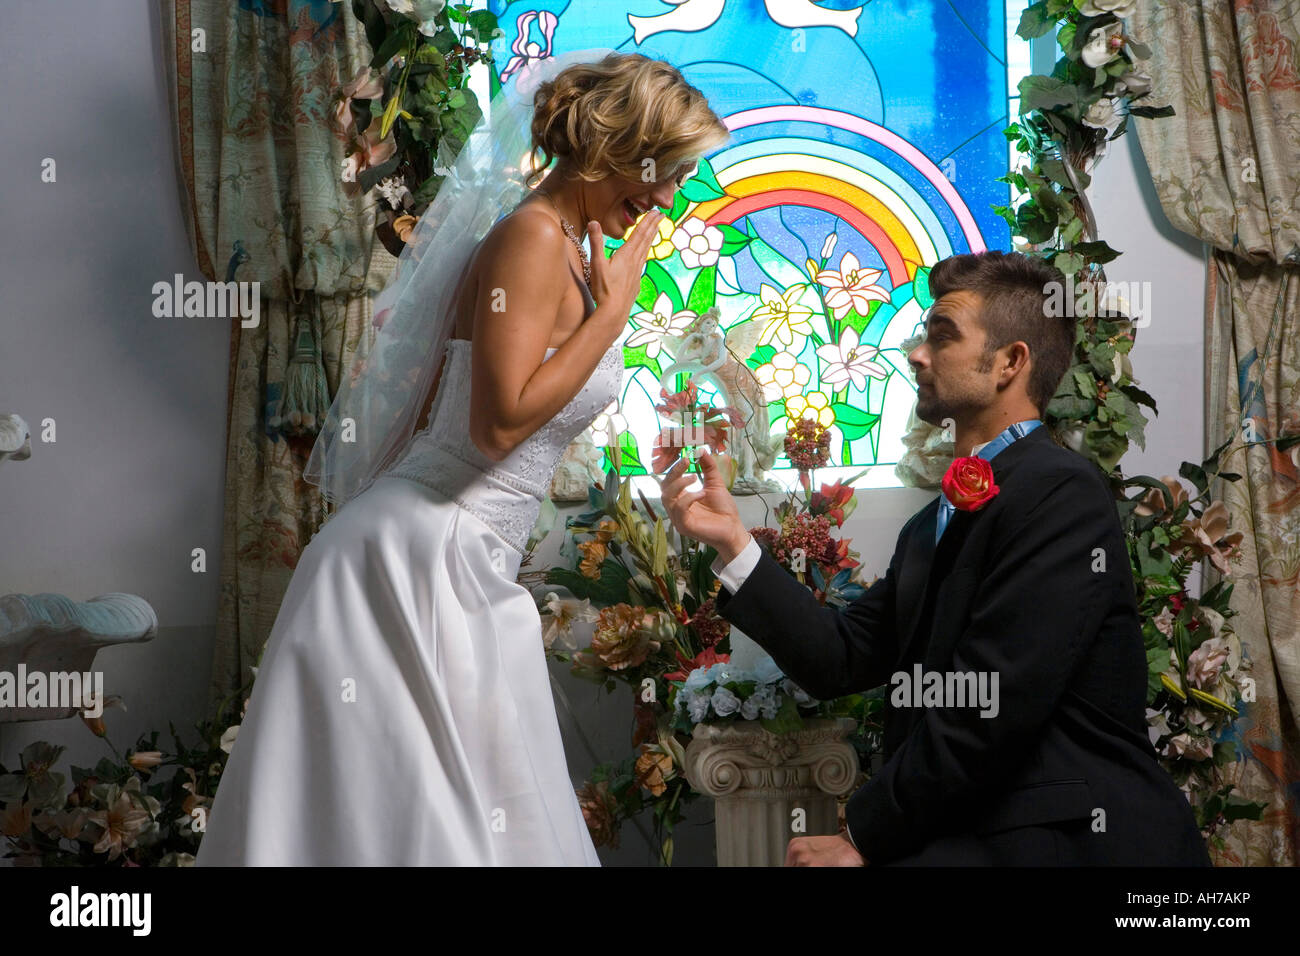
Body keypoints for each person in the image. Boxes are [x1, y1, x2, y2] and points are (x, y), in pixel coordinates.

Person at [195, 51, 729, 865]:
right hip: (415, 559)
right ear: (612, 145)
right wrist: (609, 319)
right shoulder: (530, 237)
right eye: (662, 171)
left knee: (465, 823)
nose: (665, 196)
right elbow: (496, 426)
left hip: (462, 559)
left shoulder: (572, 247)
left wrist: (603, 307)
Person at [657, 250, 1211, 867]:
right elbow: (839, 657)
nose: (917, 354)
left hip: (1058, 836)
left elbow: (990, 706)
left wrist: (860, 839)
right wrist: (734, 541)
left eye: (941, 336)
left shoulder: (1062, 493)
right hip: (970, 828)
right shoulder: (931, 526)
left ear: (1009, 362)